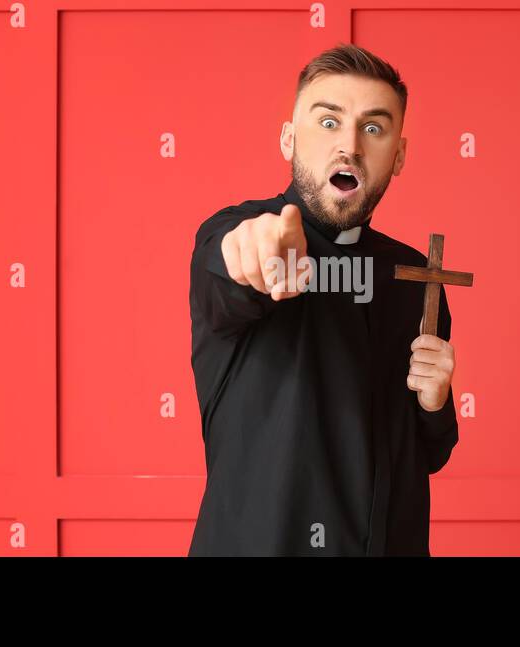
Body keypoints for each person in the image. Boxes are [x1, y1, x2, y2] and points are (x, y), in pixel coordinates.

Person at [187, 43, 460, 556]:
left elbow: (430, 453)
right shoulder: (240, 233)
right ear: (289, 139)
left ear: (398, 155)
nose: (350, 146)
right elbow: (228, 269)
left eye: (373, 128)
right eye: (328, 122)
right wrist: (252, 255)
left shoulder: (416, 278)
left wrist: (435, 402)